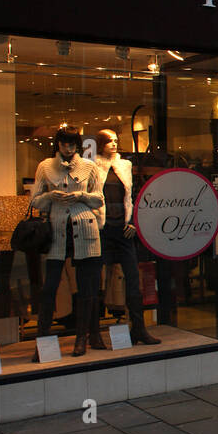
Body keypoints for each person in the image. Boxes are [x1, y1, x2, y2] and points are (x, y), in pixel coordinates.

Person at [31, 126, 105, 358]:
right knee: (49, 287)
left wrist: (80, 196)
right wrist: (50, 197)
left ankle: (82, 339)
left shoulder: (89, 167)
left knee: (87, 288)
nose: (68, 148)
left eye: (72, 144)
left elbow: (99, 198)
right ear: (58, 144)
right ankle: (42, 343)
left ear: (78, 145)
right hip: (57, 232)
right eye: (64, 143)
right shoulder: (45, 166)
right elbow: (35, 201)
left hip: (85, 230)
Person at [94, 129, 159, 346]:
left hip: (123, 230)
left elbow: (131, 197)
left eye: (115, 140)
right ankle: (93, 333)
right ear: (100, 144)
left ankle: (138, 329)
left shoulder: (125, 166)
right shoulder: (92, 166)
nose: (113, 144)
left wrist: (132, 223)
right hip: (102, 230)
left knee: (133, 280)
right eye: (108, 141)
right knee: (97, 282)